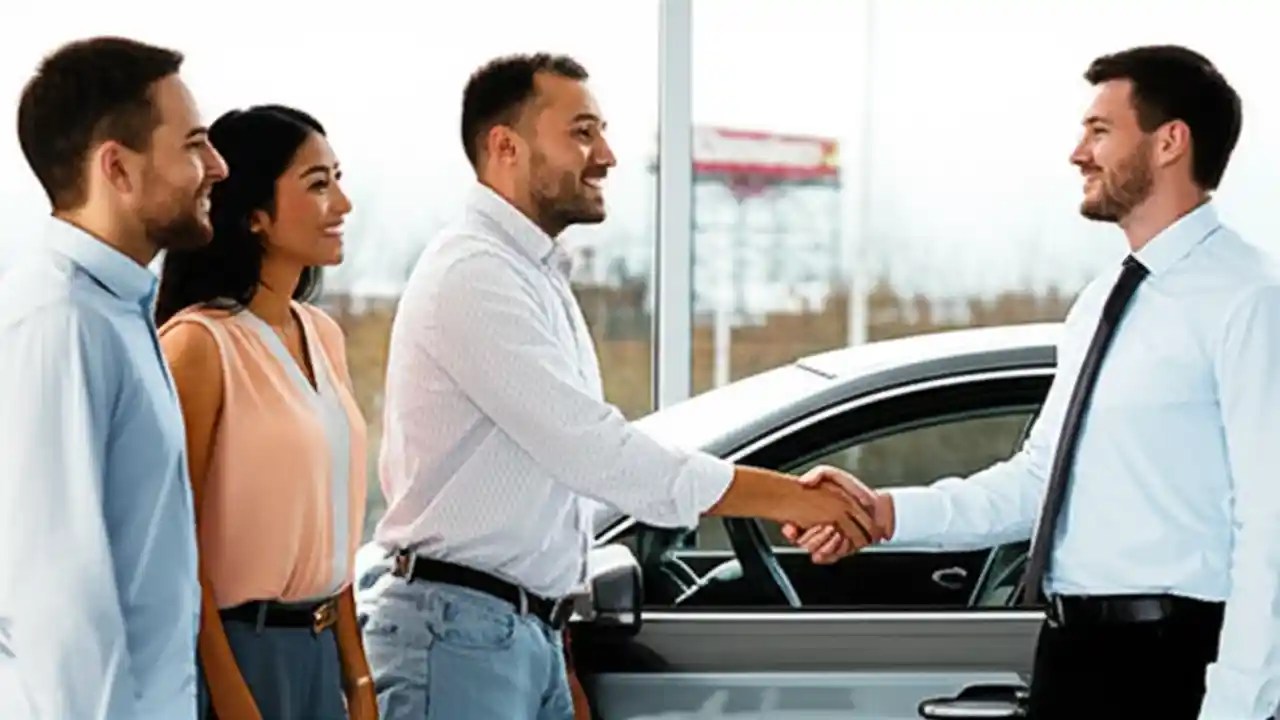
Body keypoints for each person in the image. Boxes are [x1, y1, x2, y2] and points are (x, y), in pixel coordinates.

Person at [357, 53, 880, 720]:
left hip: (514, 634)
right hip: (461, 640)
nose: (606, 155)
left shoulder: (533, 273)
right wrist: (789, 499)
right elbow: (600, 456)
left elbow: (552, 492)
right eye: (582, 132)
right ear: (505, 147)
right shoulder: (474, 276)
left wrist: (555, 642)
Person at [788, 45, 1280, 720]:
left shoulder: (1251, 297)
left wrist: (1240, 707)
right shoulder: (1103, 302)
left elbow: (1272, 525)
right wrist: (882, 514)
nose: (1079, 153)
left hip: (1177, 665)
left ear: (1170, 142)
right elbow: (1035, 484)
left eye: (1099, 131)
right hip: (1073, 659)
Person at [0, 37, 227, 720]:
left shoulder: (118, 310)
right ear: (117, 169)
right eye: (192, 146)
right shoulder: (61, 320)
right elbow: (56, 605)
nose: (216, 166)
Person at [154, 105, 376, 720]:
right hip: (238, 658)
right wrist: (231, 696)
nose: (343, 204)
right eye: (318, 184)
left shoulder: (324, 335)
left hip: (320, 656)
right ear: (254, 214)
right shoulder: (199, 346)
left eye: (338, 178)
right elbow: (178, 550)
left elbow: (335, 525)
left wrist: (358, 681)